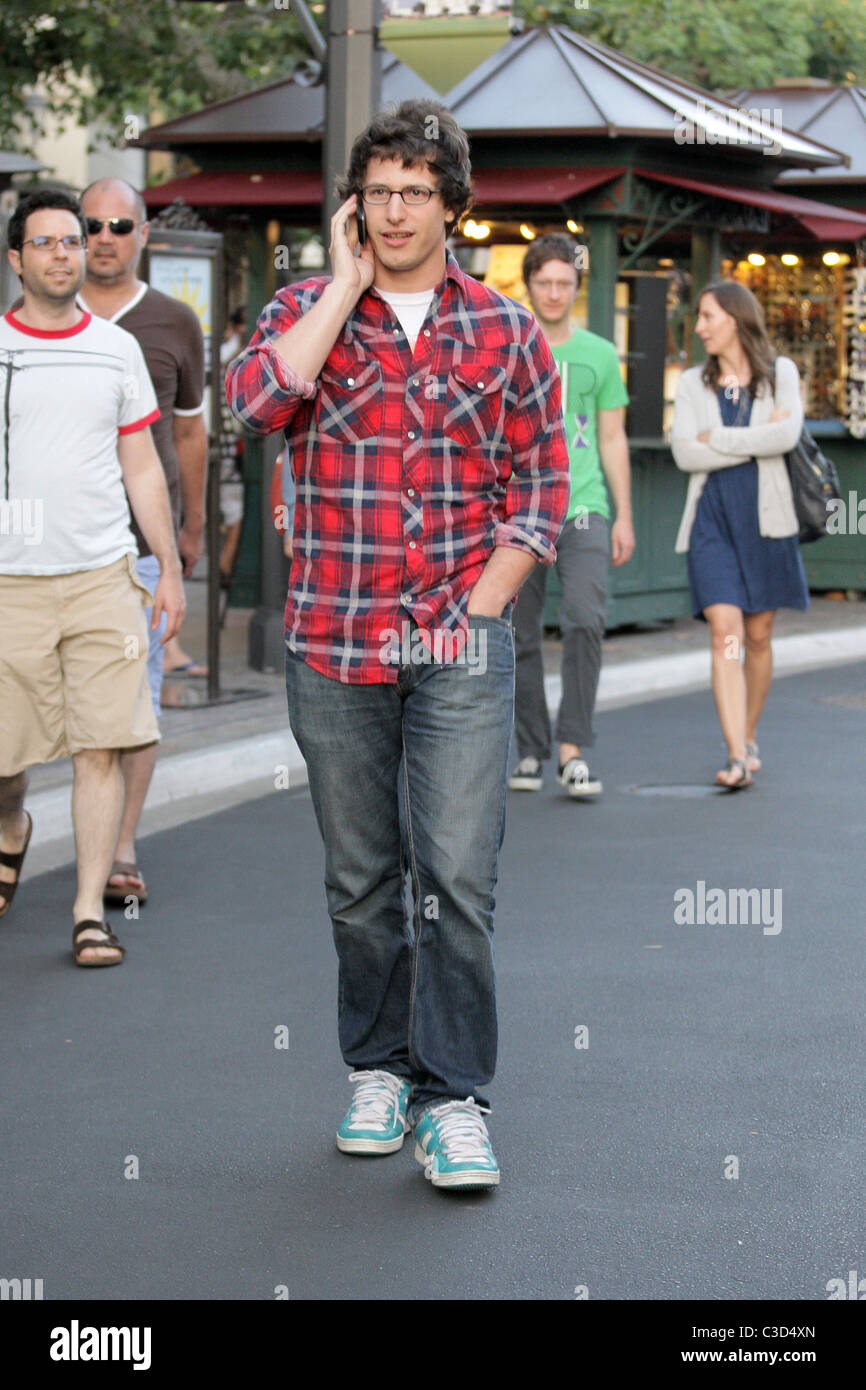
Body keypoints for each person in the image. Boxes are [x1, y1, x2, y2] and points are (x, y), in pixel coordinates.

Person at [226, 99, 569, 1191]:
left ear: (452, 206)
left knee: (458, 876)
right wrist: (337, 287)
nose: (394, 209)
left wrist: (482, 607)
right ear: (353, 205)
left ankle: (454, 1096)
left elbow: (540, 488)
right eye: (376, 191)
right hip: (334, 640)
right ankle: (376, 1069)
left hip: (460, 646)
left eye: (415, 191)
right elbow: (259, 401)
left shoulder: (506, 330)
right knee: (361, 878)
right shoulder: (303, 309)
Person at [0, 189, 185, 964]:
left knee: (102, 745)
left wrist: (168, 568)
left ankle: (86, 914)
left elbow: (140, 463)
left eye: (72, 241)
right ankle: (11, 825)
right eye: (45, 243)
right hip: (11, 580)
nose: (63, 254)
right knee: (6, 761)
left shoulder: (116, 349)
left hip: (105, 574)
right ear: (17, 259)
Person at [78, 178, 207, 903]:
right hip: (57, 549)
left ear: (143, 236)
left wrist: (188, 528)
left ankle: (121, 847)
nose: (103, 237)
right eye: (90, 224)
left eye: (119, 224)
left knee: (139, 699)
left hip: (142, 544)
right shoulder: (34, 320)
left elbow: (188, 430)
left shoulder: (172, 322)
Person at [509, 233, 634, 799]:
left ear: (576, 288)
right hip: (519, 509)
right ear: (529, 285)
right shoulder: (510, 344)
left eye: (564, 283)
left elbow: (612, 437)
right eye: (545, 282)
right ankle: (531, 748)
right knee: (518, 632)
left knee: (585, 615)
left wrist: (624, 514)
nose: (555, 292)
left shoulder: (601, 354)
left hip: (583, 507)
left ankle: (572, 748)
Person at [671, 280, 807, 789]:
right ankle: (734, 754)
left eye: (708, 316)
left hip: (766, 518)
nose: (700, 327)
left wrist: (721, 439)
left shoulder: (781, 373)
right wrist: (756, 440)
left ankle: (749, 733)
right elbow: (685, 453)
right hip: (711, 519)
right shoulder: (692, 383)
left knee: (758, 635)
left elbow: (786, 436)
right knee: (726, 631)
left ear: (734, 318)